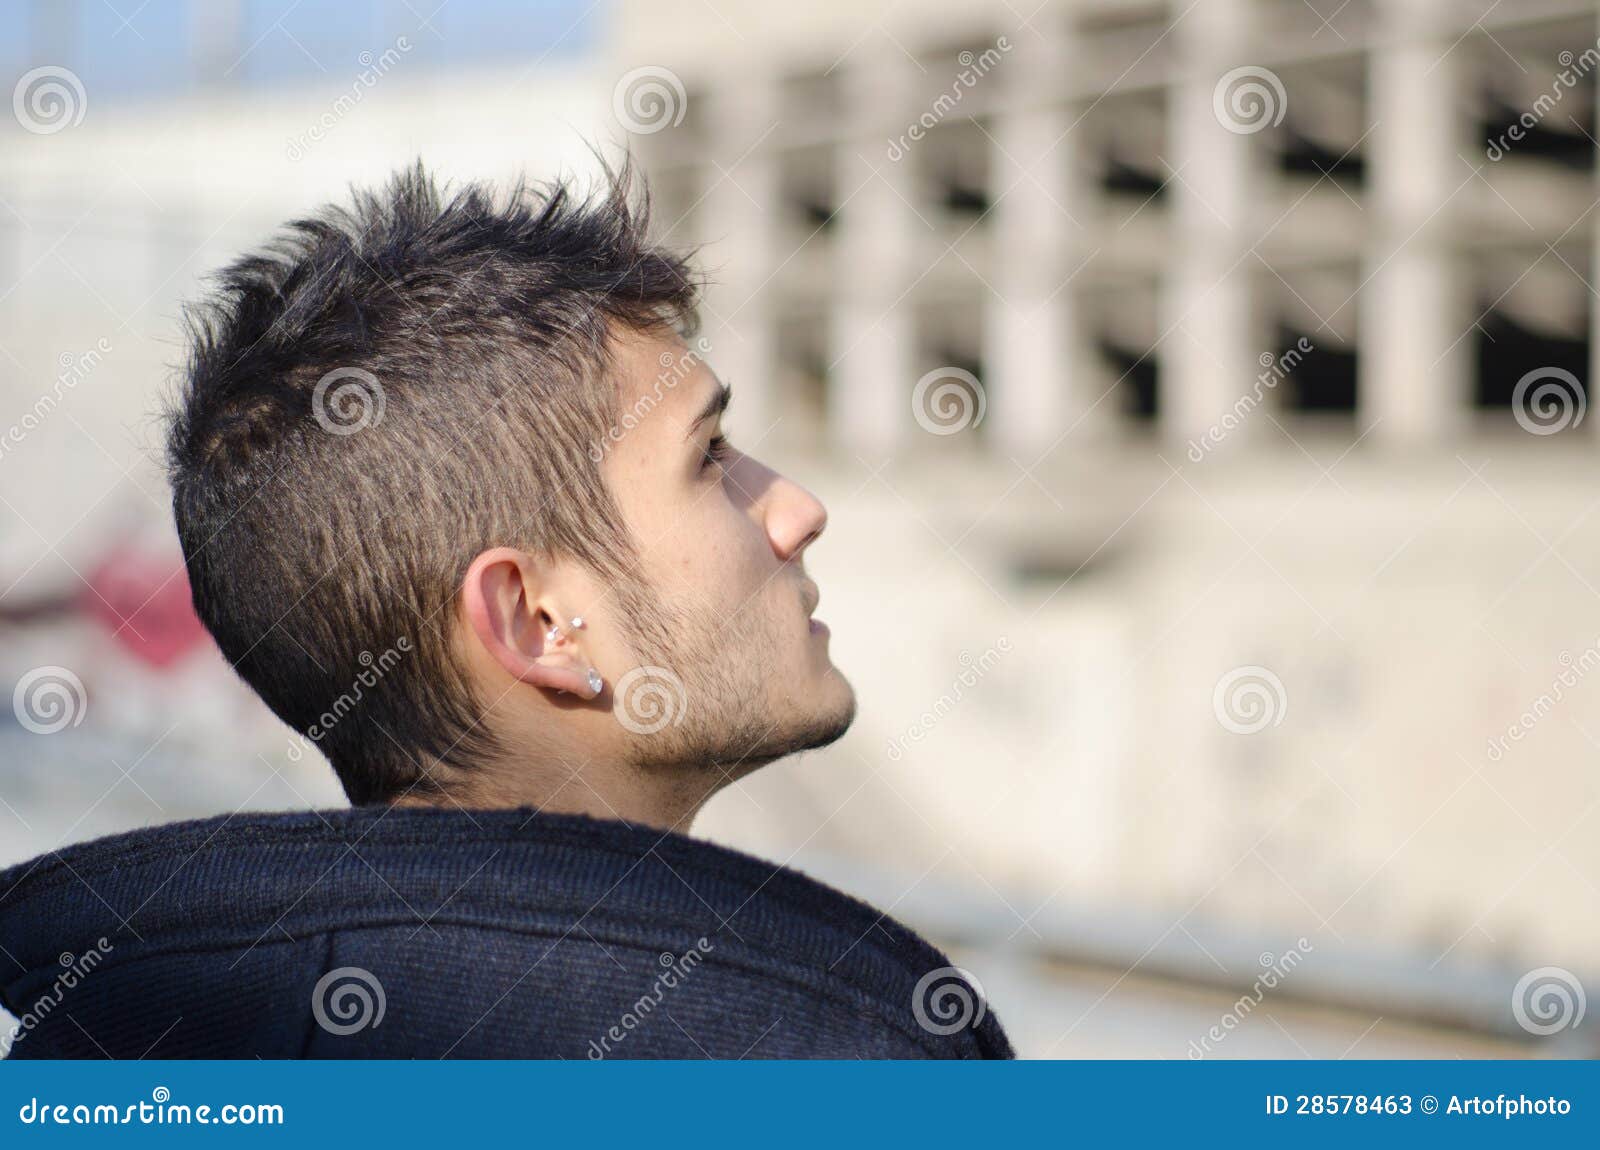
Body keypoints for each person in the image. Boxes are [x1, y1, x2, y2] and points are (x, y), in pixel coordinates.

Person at [0, 161, 1011, 1059]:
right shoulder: (838, 1054)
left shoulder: (99, 1051)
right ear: (534, 622)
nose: (795, 509)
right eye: (708, 458)